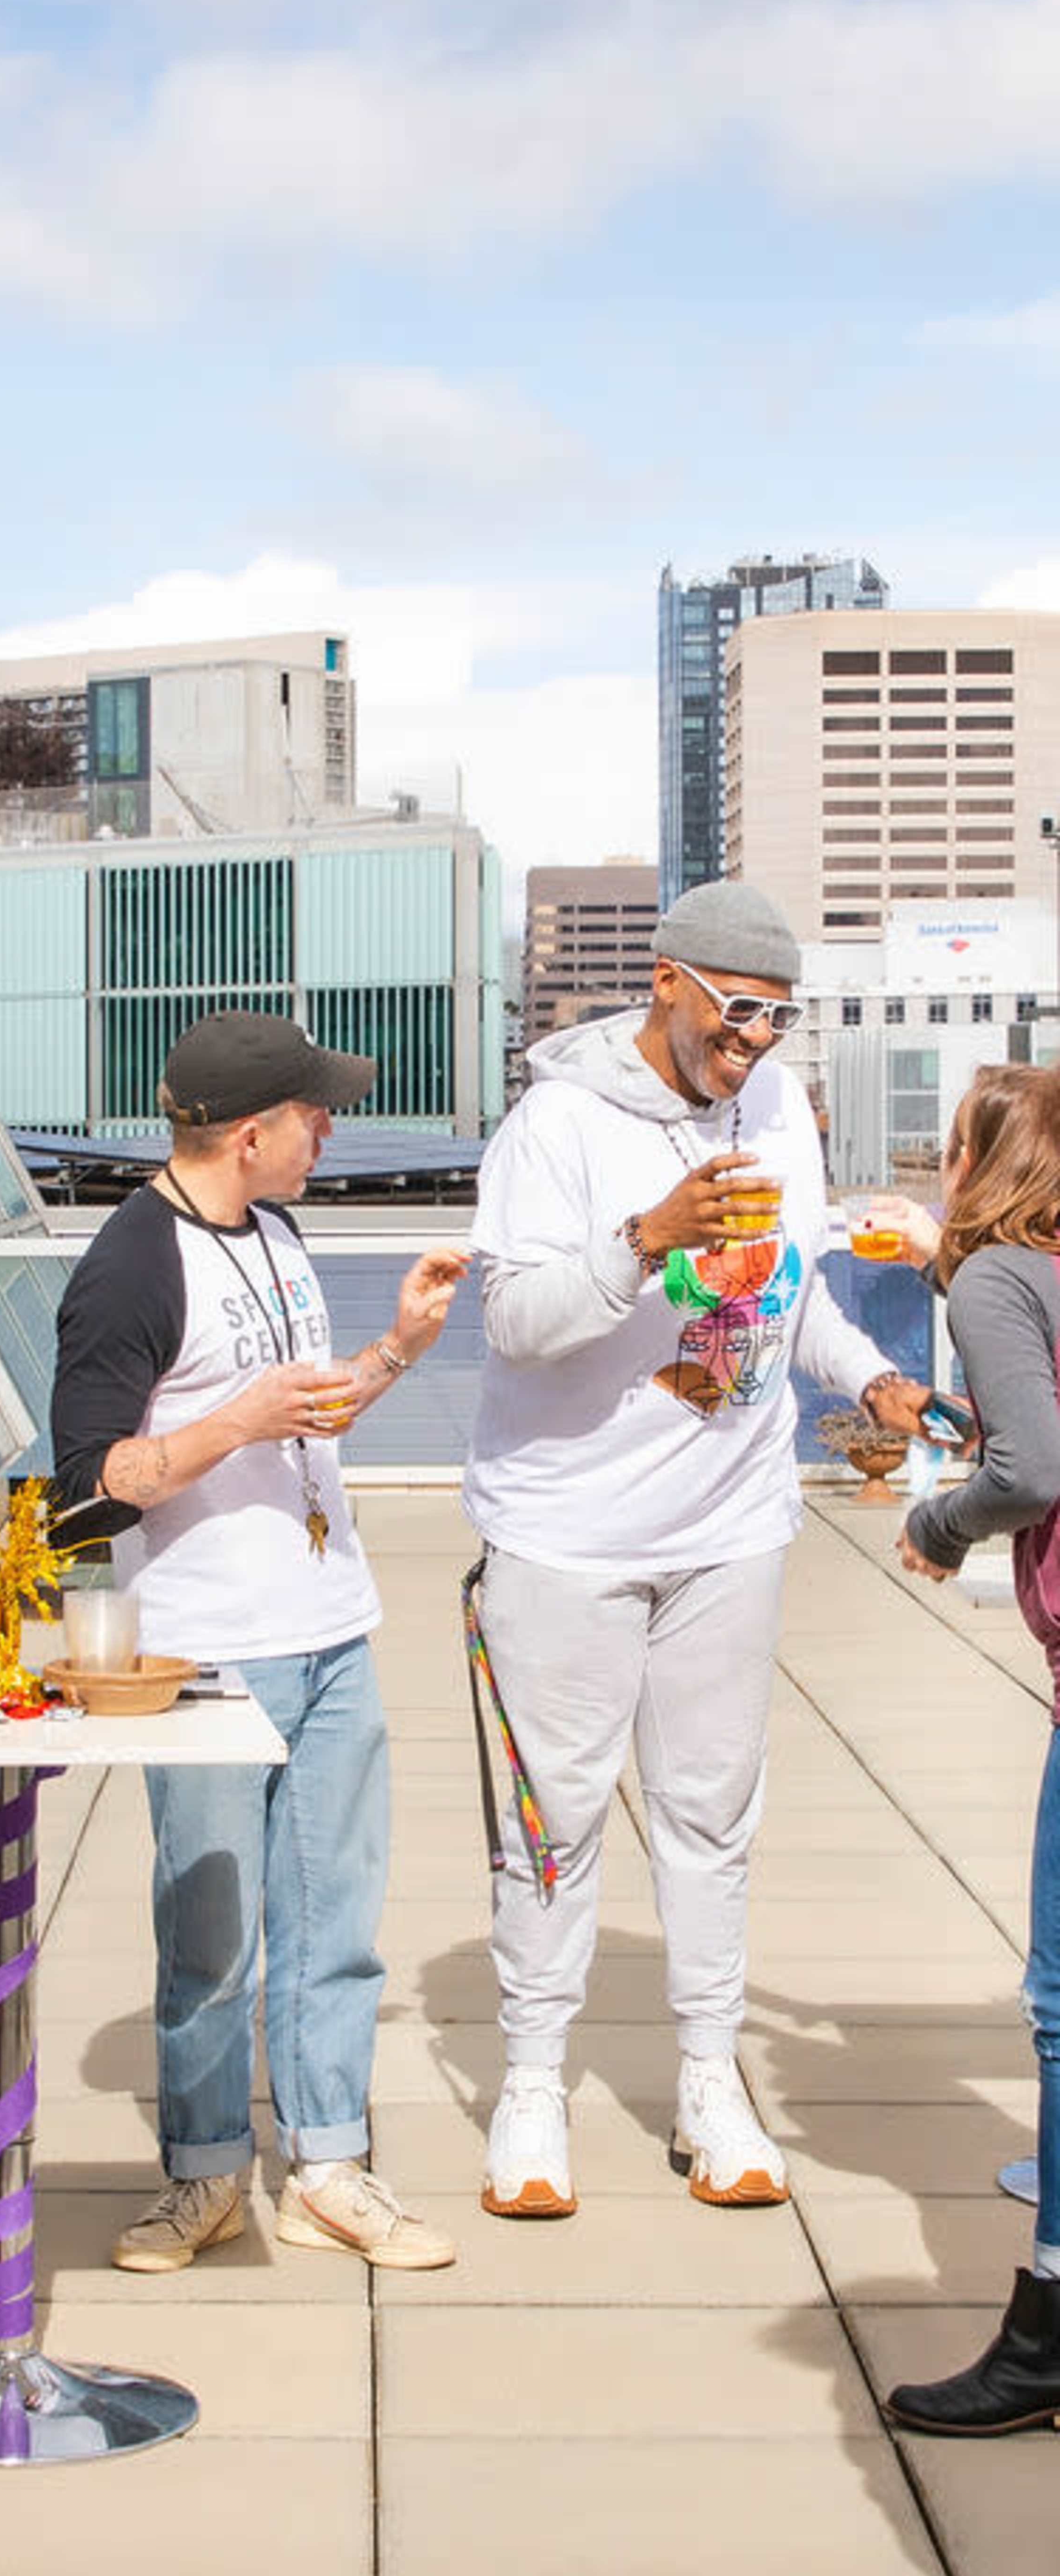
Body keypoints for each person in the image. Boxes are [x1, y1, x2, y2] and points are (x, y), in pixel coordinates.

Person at [463, 880, 932, 2220]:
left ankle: (711, 2080)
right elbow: (516, 1325)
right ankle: (535, 2086)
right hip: (567, 1529)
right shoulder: (557, 1124)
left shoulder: (778, 1110)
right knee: (551, 1817)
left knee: (713, 1814)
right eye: (739, 1013)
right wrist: (645, 1242)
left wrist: (872, 1383)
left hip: (731, 1524)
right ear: (667, 982)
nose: (757, 1043)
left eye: (782, 1020)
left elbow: (798, 1300)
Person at [52, 1009, 468, 2273]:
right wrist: (228, 1424)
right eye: (313, 1112)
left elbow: (312, 1414)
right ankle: (203, 2175)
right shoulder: (129, 1264)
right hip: (207, 1653)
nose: (330, 1128)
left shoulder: (281, 1234)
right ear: (250, 1132)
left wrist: (399, 1346)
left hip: (333, 1625)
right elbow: (81, 1491)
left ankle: (329, 2167)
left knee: (337, 1920)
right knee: (215, 1935)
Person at [886, 1064, 1060, 2435]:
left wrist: (944, 1524)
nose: (943, 1168)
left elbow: (1039, 1470)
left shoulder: (998, 1277)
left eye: (953, 1147)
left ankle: (1049, 2330)